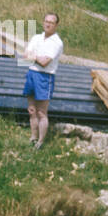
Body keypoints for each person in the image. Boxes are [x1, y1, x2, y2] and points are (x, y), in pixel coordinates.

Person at [22, 12, 63, 147]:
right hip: (32, 73)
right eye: (46, 21)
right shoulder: (36, 37)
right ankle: (33, 137)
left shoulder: (56, 43)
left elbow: (45, 62)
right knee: (32, 110)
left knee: (41, 112)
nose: (48, 24)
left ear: (56, 25)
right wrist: (36, 57)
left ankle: (40, 142)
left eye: (51, 22)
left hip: (45, 77)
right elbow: (24, 55)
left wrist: (33, 56)